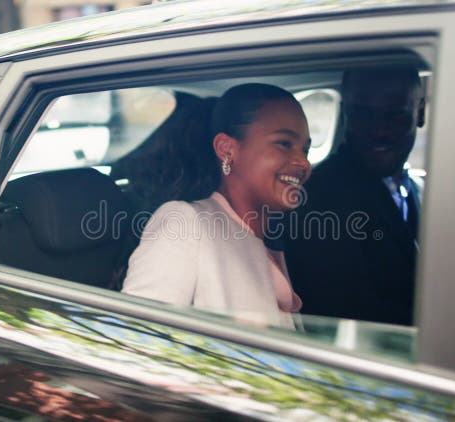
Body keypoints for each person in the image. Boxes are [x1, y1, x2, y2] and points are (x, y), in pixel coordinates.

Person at [122, 83, 312, 328]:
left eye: (305, 149)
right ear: (227, 149)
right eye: (284, 143)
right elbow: (136, 338)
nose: (303, 162)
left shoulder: (269, 237)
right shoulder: (185, 223)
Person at [286, 64, 426, 325]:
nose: (379, 131)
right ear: (347, 114)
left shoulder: (415, 189)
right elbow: (344, 315)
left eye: (395, 115)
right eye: (363, 114)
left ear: (420, 113)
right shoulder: (319, 199)